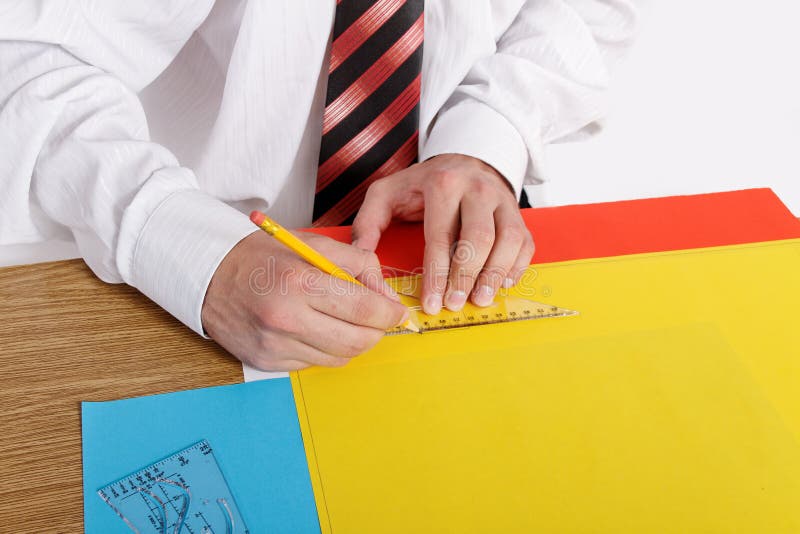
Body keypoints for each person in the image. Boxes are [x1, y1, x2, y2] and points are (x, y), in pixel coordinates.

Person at [0, 1, 637, 371]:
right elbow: (25, 50)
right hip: (180, 275)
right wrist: (186, 247)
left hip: (461, 229)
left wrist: (490, 133)